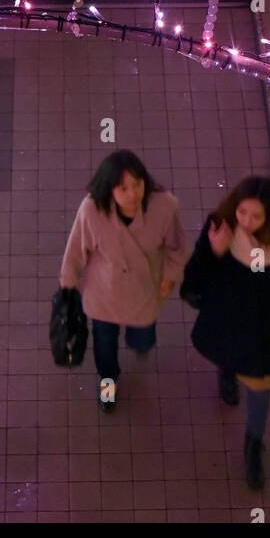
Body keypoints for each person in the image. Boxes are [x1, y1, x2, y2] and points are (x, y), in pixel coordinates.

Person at [180, 176, 270, 490]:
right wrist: (213, 248)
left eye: (257, 216)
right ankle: (227, 373)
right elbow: (194, 274)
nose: (247, 222)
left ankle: (253, 443)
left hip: (268, 319)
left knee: (261, 386)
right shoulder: (221, 226)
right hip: (229, 309)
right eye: (243, 212)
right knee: (229, 351)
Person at [60, 150, 187, 413]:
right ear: (109, 189)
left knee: (142, 338)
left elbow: (177, 247)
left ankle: (138, 343)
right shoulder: (92, 210)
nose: (133, 194)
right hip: (104, 293)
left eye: (137, 184)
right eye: (123, 188)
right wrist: (69, 285)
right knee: (104, 347)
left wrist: (170, 278)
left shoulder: (164, 207)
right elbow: (75, 250)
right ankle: (108, 383)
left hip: (144, 290)